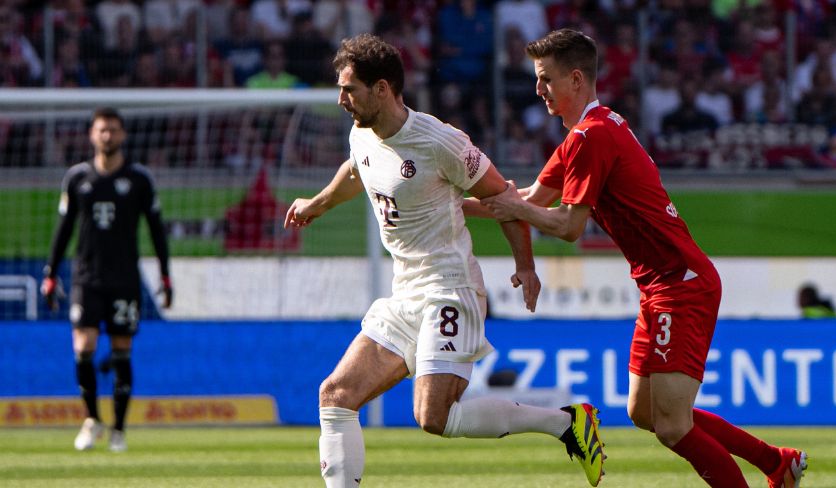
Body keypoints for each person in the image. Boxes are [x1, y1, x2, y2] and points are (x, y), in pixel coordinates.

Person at [477, 28, 807, 488]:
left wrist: (515, 209)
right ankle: (776, 462)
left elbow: (569, 227)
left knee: (673, 425)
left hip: (681, 283)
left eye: (545, 79)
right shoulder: (589, 131)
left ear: (575, 79)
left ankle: (769, 472)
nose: (538, 90)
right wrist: (453, 204)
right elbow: (530, 196)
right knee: (645, 412)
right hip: (660, 286)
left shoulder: (592, 138)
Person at [283, 34, 605, 488]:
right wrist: (317, 203)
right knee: (335, 396)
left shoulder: (441, 142)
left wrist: (525, 266)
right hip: (405, 292)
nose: (341, 99)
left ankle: (565, 423)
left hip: (451, 288)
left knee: (434, 416)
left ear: (382, 89)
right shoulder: (361, 134)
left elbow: (503, 198)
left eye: (349, 89)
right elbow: (356, 169)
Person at [41, 107, 173, 452]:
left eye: (113, 130)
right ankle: (90, 421)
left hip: (125, 279)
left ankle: (118, 429)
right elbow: (63, 229)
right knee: (83, 347)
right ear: (91, 135)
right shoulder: (77, 178)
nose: (107, 136)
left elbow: (157, 230)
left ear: (123, 135)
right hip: (86, 278)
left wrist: (165, 274)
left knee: (121, 351)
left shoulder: (140, 179)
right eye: (102, 130)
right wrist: (50, 274)